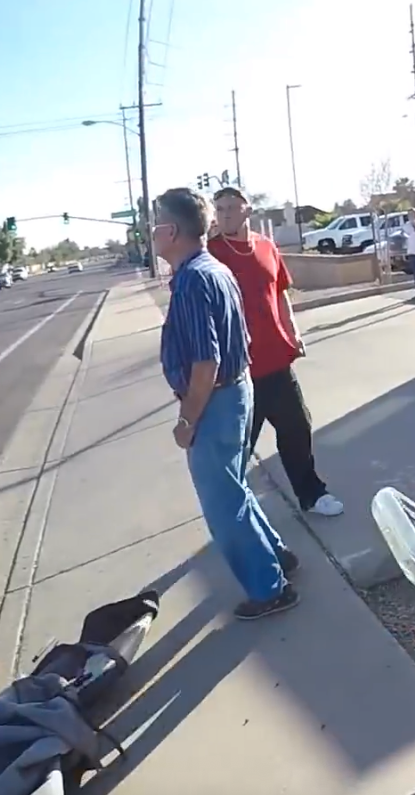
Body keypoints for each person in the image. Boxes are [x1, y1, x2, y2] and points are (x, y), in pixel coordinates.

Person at [153, 187, 300, 620]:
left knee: (223, 506)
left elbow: (206, 363)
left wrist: (187, 420)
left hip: (214, 403)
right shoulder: (212, 268)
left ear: (172, 230)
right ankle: (276, 553)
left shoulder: (196, 278)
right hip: (236, 394)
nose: (152, 233)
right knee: (235, 490)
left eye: (156, 223)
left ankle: (270, 589)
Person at [207, 187, 345, 519]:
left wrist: (292, 331)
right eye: (219, 208)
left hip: (276, 361)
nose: (224, 214)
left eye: (231, 208)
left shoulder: (267, 247)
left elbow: (280, 293)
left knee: (297, 427)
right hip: (236, 371)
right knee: (238, 448)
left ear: (247, 210)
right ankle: (230, 512)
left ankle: (311, 494)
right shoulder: (210, 254)